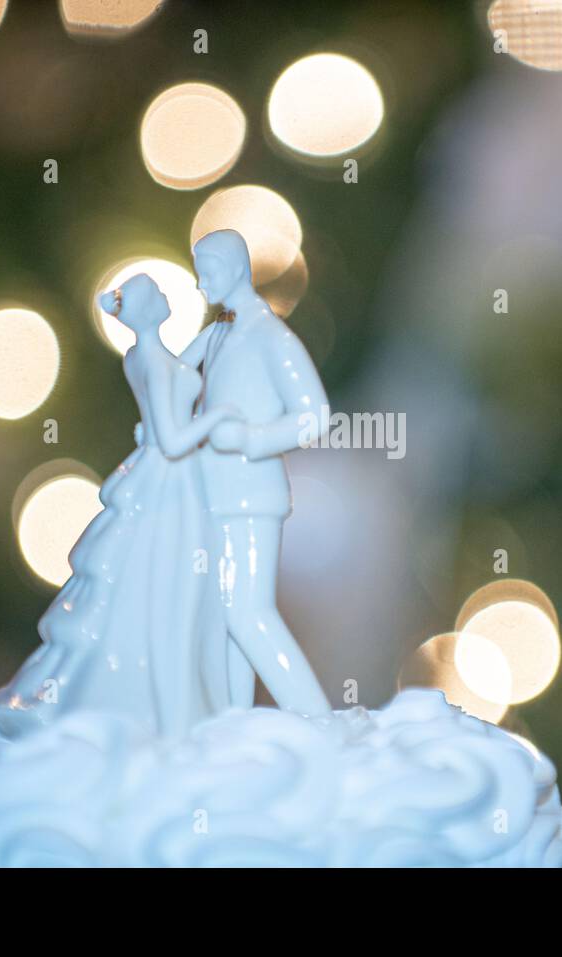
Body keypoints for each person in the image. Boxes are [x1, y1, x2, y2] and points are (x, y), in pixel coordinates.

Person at [0, 273, 240, 737]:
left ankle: (167, 700)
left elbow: (178, 371)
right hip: (170, 482)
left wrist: (213, 334)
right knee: (164, 586)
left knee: (152, 584)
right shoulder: (155, 364)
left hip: (156, 475)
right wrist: (217, 417)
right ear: (147, 309)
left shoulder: (141, 356)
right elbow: (175, 437)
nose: (166, 298)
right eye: (158, 295)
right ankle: (152, 705)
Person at [179, 229, 331, 716]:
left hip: (252, 496)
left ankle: (316, 719)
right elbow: (173, 373)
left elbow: (315, 416)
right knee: (225, 614)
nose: (201, 284)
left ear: (235, 269)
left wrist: (252, 439)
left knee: (249, 613)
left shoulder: (270, 337)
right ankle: (232, 721)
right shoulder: (219, 333)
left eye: (209, 272)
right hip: (215, 493)